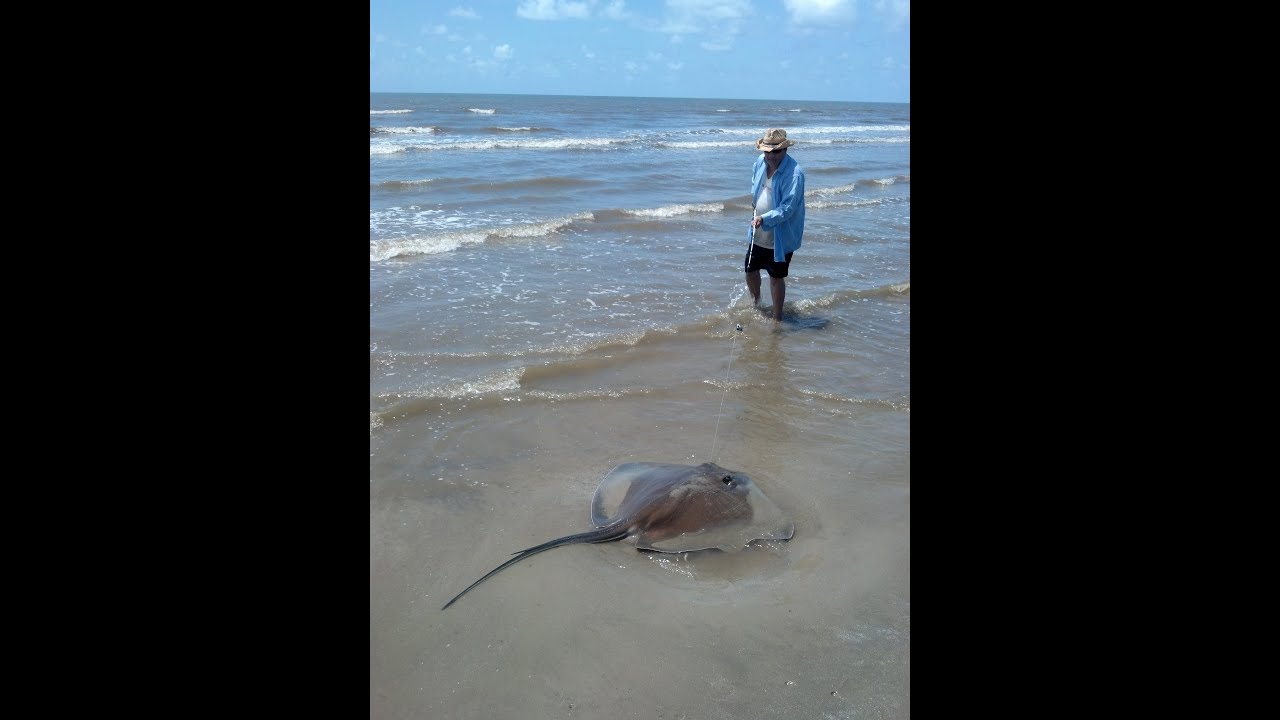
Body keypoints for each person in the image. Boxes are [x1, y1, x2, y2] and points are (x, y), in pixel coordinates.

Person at [747, 128, 806, 321]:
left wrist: (765, 218)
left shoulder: (794, 174)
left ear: (785, 150)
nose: (770, 156)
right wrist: (756, 210)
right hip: (758, 230)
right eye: (766, 151)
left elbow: (788, 208)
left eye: (775, 152)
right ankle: (757, 303)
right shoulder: (760, 163)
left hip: (781, 234)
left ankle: (776, 316)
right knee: (750, 270)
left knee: (775, 276)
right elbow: (755, 186)